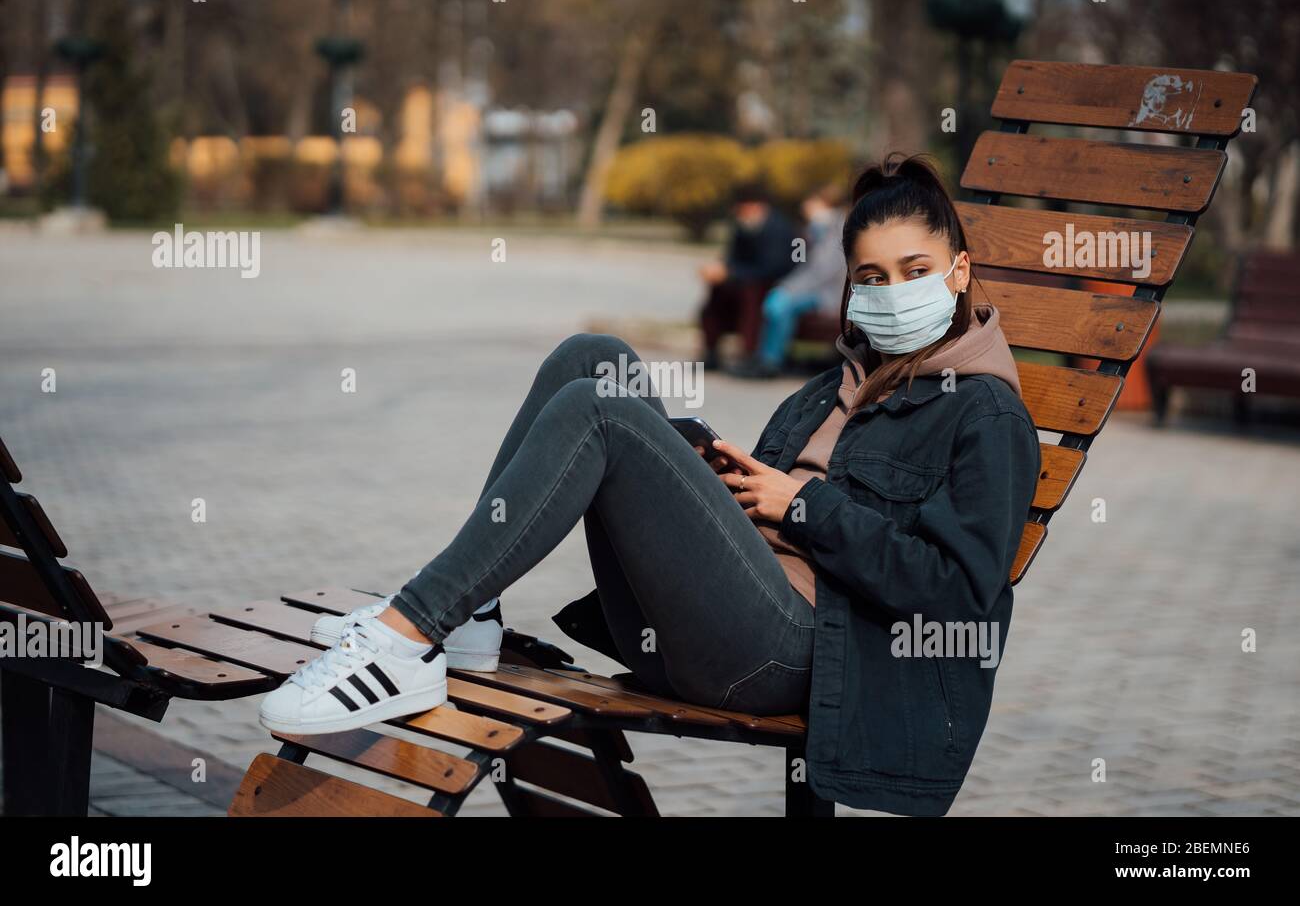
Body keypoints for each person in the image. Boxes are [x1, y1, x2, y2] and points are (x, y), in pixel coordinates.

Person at [258, 154, 1040, 816]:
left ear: (959, 272)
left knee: (602, 413)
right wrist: (710, 473)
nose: (892, 290)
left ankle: (408, 634)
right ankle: (469, 619)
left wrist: (804, 508)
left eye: (915, 271)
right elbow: (754, 518)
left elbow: (959, 591)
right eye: (872, 275)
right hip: (715, 625)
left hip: (800, 656)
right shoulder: (832, 389)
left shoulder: (985, 415)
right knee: (592, 359)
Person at [732, 184, 848, 378]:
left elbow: (822, 270)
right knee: (775, 300)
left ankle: (770, 361)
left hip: (827, 293)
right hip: (808, 288)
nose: (805, 206)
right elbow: (798, 262)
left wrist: (789, 288)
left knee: (779, 304)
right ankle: (763, 357)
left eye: (810, 202)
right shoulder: (810, 229)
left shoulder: (837, 228)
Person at [697, 184, 797, 370]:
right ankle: (711, 353)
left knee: (752, 296)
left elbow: (774, 267)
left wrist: (732, 273)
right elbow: (733, 258)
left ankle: (749, 355)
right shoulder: (742, 227)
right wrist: (720, 270)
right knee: (715, 294)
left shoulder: (779, 228)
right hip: (743, 282)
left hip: (768, 284)